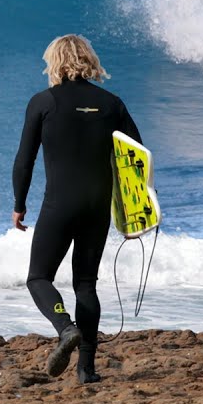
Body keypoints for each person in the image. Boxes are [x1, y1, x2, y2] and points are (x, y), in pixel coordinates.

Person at [12, 34, 141, 384]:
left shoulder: (43, 102)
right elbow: (135, 159)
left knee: (39, 277)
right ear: (88, 60)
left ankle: (64, 326)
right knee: (86, 284)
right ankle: (87, 369)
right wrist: (136, 210)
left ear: (54, 61)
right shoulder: (112, 103)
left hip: (60, 203)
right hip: (97, 206)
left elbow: (25, 160)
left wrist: (19, 203)